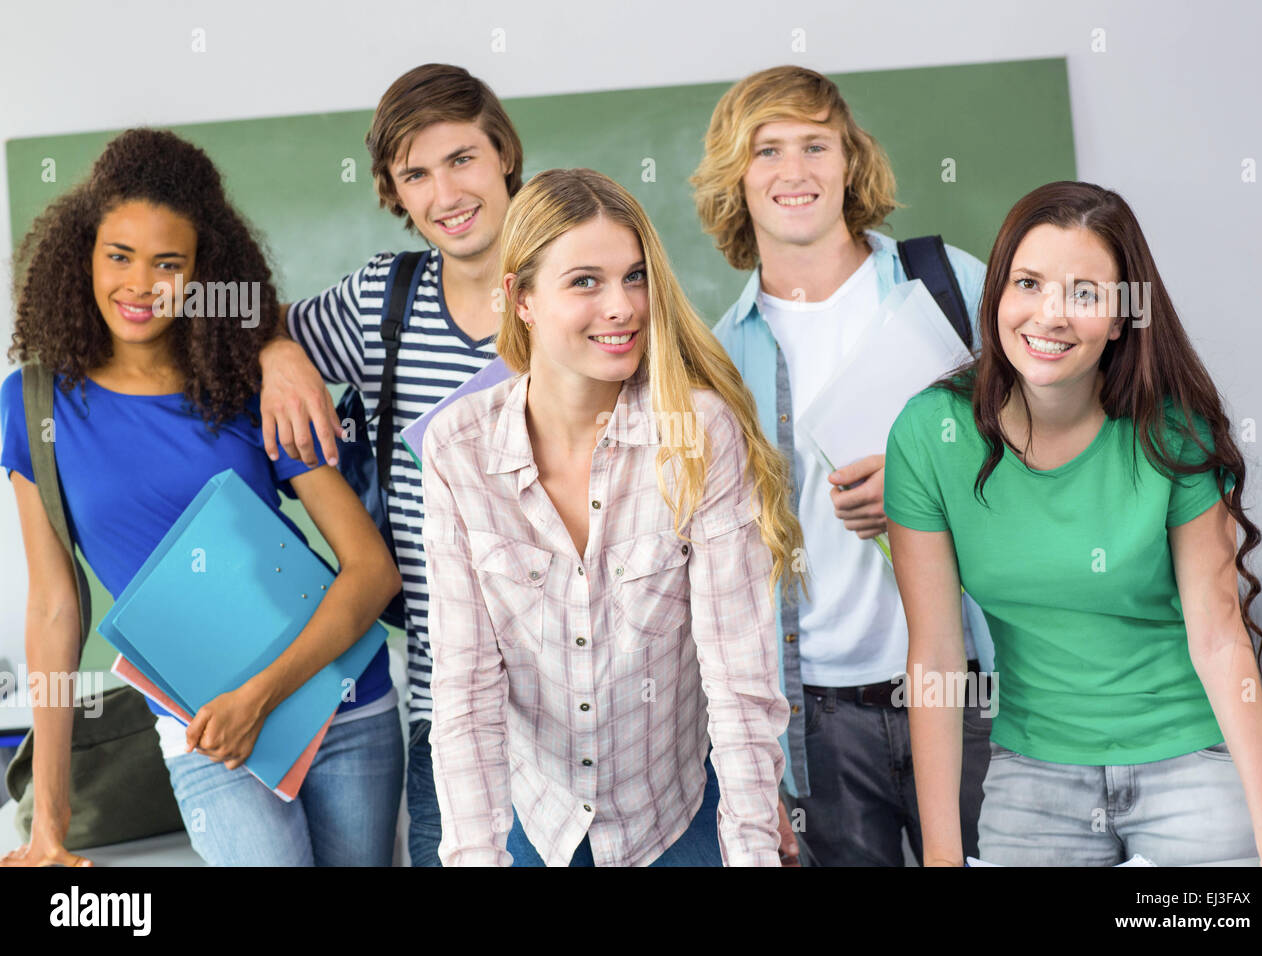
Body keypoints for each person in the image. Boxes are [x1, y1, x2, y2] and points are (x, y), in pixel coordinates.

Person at [0, 129, 404, 867]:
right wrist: (46, 827)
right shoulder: (34, 405)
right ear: (82, 253)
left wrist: (261, 692)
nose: (139, 284)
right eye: (118, 255)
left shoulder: (251, 384)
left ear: (202, 271)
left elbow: (371, 570)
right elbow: (54, 609)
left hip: (342, 704)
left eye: (168, 264)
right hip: (200, 728)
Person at [884, 180, 1262, 866]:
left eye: (1084, 293)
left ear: (1120, 318)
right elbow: (934, 657)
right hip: (1033, 776)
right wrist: (941, 855)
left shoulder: (1174, 435)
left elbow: (1220, 635)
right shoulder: (931, 435)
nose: (1050, 315)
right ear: (996, 296)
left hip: (1188, 759)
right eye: (1027, 283)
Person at [420, 167, 801, 866]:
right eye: (585, 282)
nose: (623, 306)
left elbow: (739, 682)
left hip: (674, 817)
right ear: (522, 298)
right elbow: (465, 692)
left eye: (634, 277)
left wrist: (751, 845)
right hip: (537, 821)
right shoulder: (457, 450)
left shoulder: (697, 433)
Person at [692, 64, 993, 866]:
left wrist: (930, 492)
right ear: (736, 178)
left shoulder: (950, 287)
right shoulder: (716, 360)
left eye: (815, 145)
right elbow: (715, 578)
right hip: (814, 721)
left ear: (851, 159)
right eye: (767, 151)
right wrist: (759, 781)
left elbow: (1058, 458)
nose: (795, 172)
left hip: (970, 691)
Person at [256, 64, 523, 865]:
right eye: (416, 174)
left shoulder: (586, 292)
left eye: (463, 159)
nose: (446, 193)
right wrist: (275, 349)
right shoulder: (385, 303)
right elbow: (230, 316)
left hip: (605, 712)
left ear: (505, 152)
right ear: (394, 192)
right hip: (452, 718)